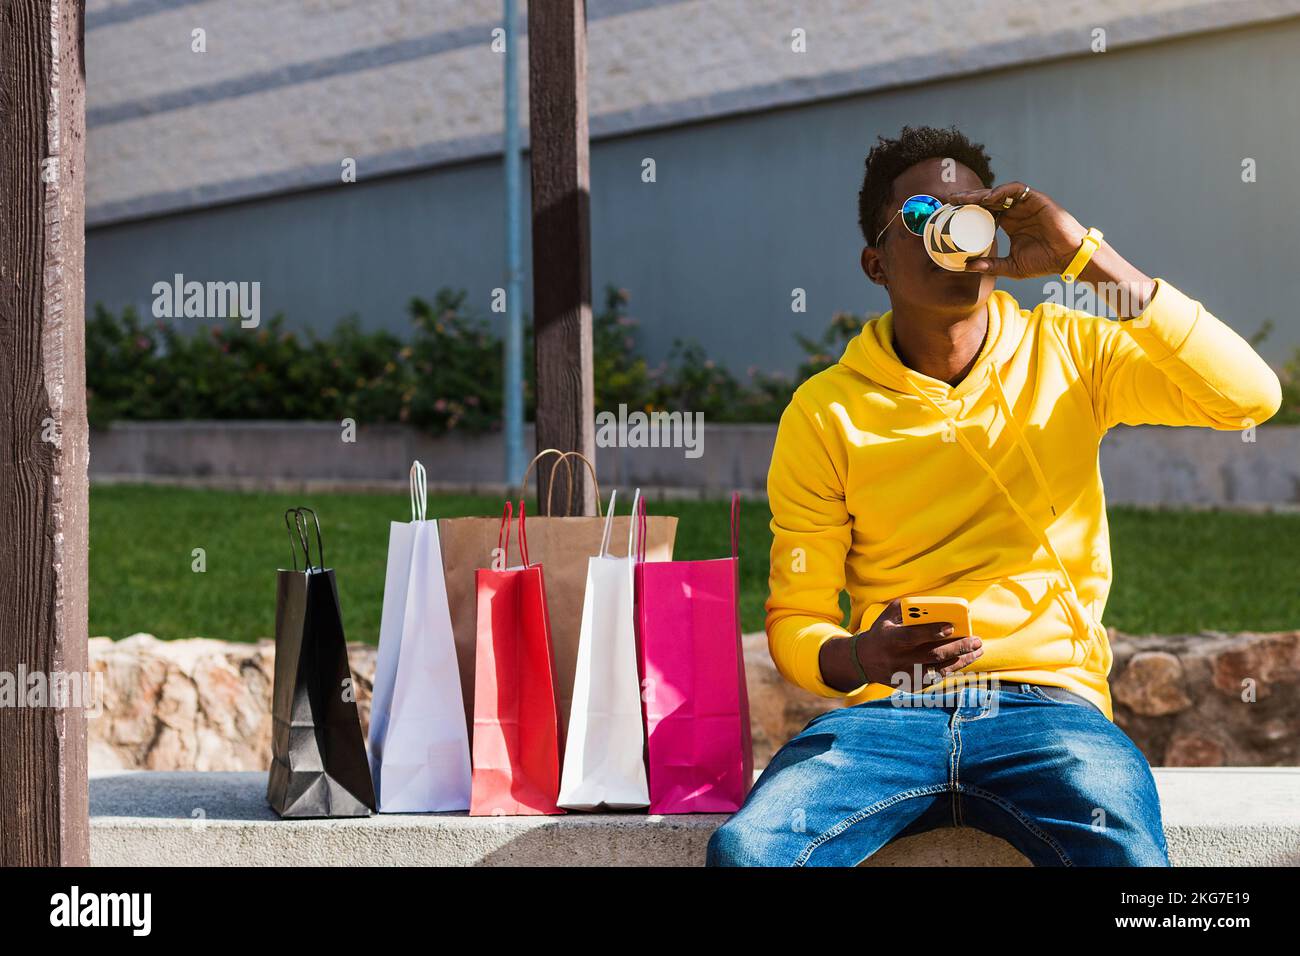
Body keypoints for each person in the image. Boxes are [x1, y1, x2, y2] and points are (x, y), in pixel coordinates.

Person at [707, 125, 1281, 867]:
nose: (953, 233)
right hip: (888, 713)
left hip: (1047, 707)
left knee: (1131, 864)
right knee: (748, 853)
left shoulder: (1072, 350)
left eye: (970, 212)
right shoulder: (826, 411)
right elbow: (797, 620)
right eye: (922, 218)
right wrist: (861, 656)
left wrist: (1084, 255)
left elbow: (1250, 397)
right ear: (875, 263)